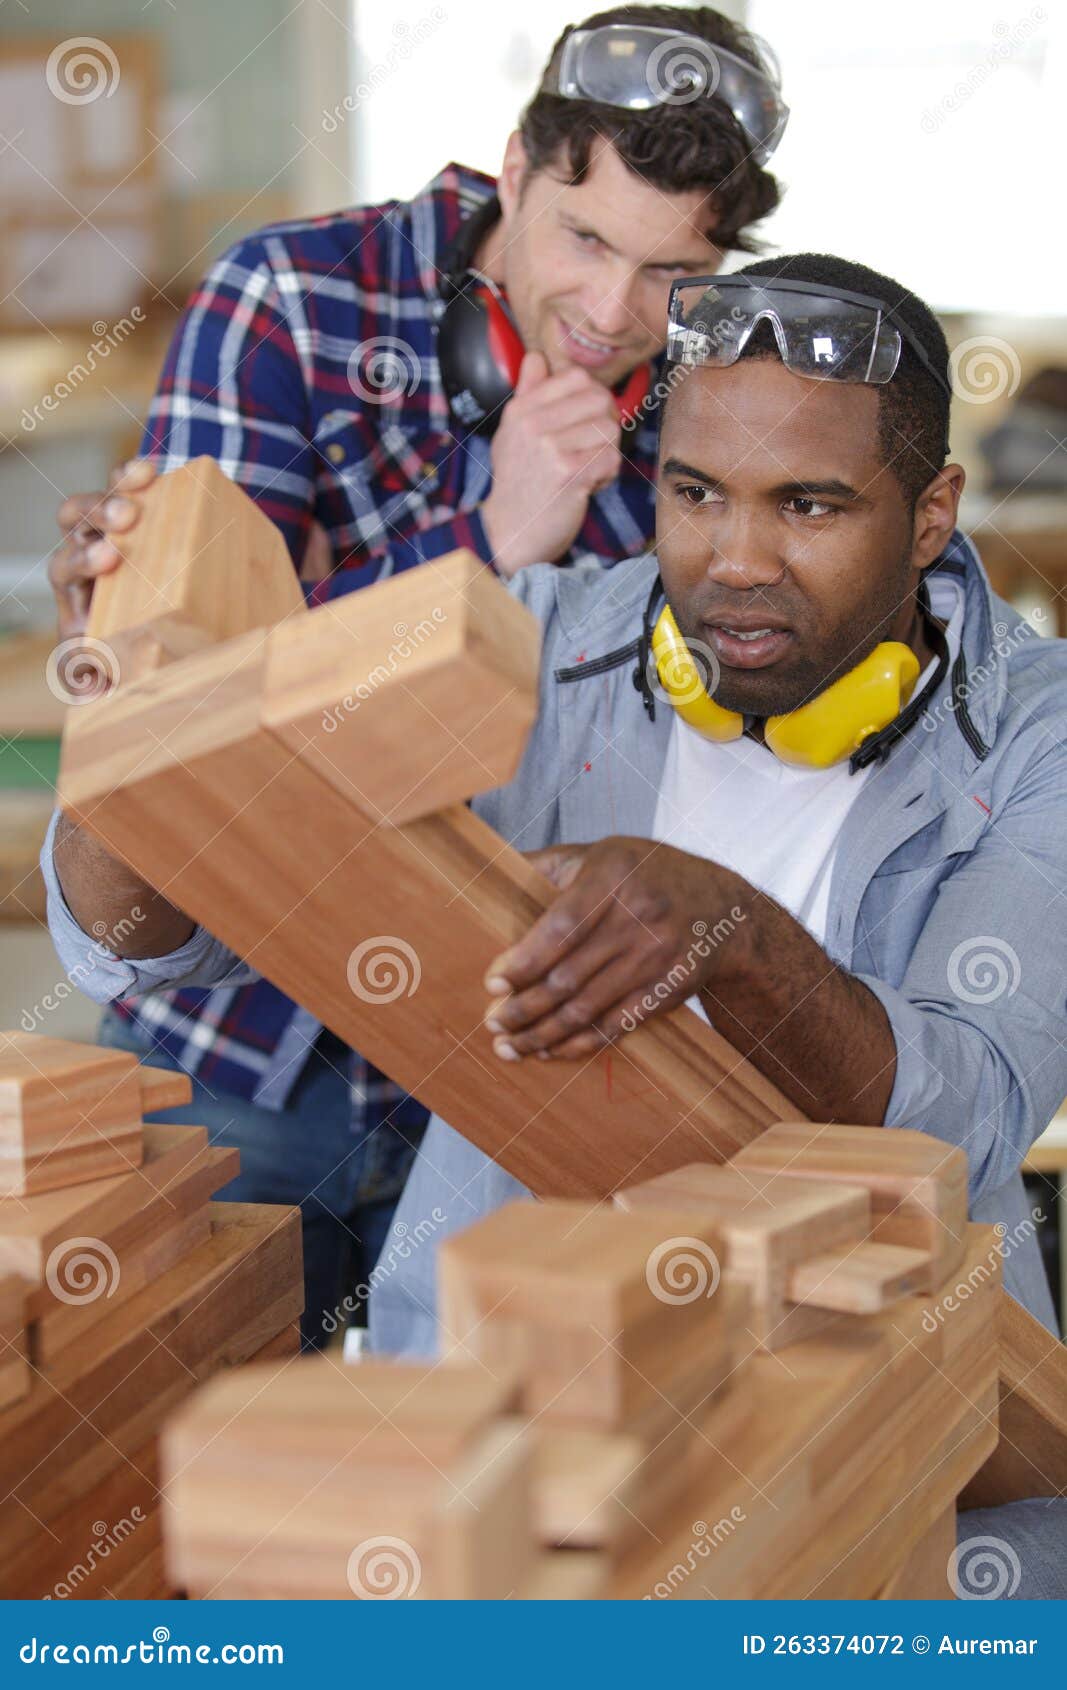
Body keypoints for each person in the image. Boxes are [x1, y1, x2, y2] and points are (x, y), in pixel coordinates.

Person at [43, 7, 785, 1347]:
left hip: (515, 1059)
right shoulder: (291, 298)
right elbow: (204, 714)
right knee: (175, 1433)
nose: (612, 314)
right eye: (584, 239)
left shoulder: (718, 401)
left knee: (486, 1454)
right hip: (246, 1035)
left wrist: (330, 598)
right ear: (516, 167)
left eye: (671, 272)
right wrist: (491, 542)